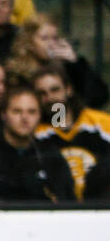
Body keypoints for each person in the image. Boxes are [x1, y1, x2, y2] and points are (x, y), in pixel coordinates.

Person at [0, 83, 75, 202]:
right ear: (4, 115)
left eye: (32, 112)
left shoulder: (50, 154)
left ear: (40, 116)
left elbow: (66, 199)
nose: (24, 118)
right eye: (17, 111)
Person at [33, 64, 110, 202]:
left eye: (55, 90)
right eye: (42, 93)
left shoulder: (101, 123)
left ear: (68, 89)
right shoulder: (35, 133)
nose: (50, 98)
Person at [6, 15, 109, 110]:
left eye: (54, 38)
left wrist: (76, 65)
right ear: (29, 43)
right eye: (45, 38)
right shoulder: (17, 75)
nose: (51, 44)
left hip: (59, 123)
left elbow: (98, 98)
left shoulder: (66, 69)